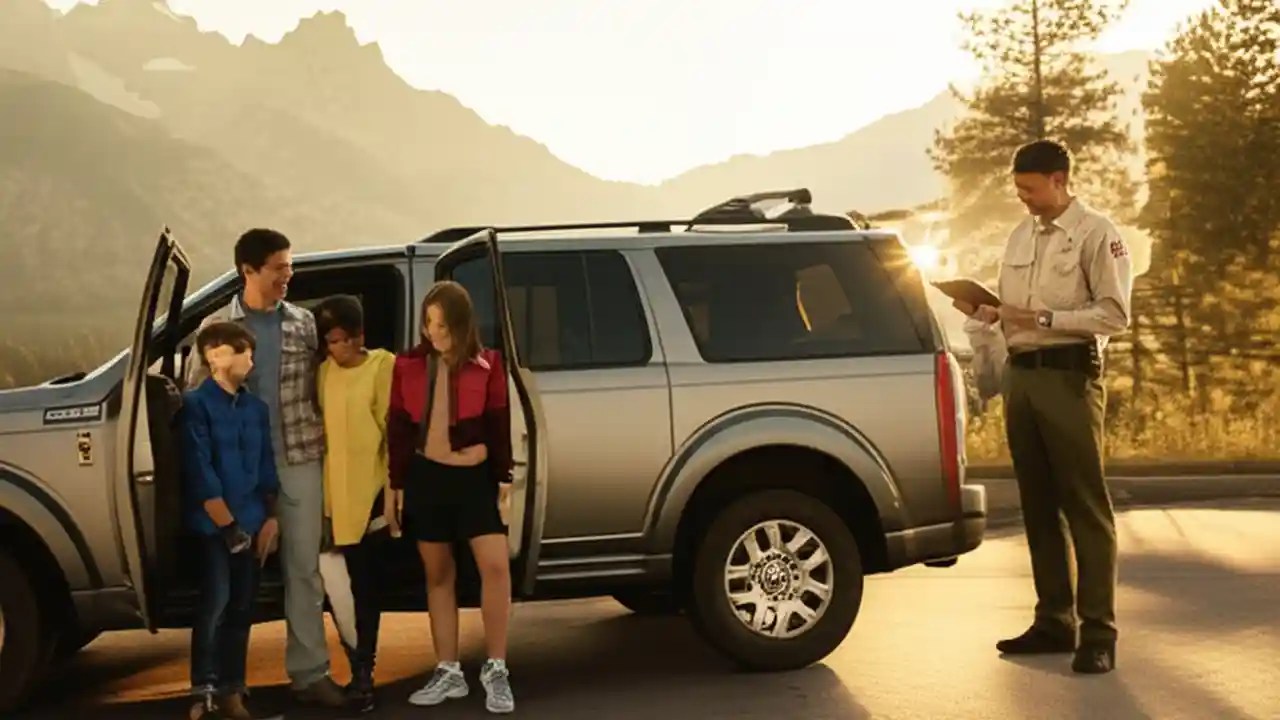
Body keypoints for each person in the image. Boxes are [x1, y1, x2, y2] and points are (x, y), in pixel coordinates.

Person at [959, 139, 1133, 674]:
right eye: (1018, 191)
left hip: (1069, 378)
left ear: (1059, 180)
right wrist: (990, 313)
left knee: (1084, 506)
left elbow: (1113, 315)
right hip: (1023, 380)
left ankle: (1099, 634)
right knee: (1037, 505)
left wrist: (1042, 320)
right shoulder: (1019, 236)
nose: (1025, 200)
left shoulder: (1097, 235)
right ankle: (1054, 620)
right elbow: (1014, 312)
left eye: (1031, 189)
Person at [186, 229, 345, 707]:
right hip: (242, 474)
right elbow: (201, 399)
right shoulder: (218, 330)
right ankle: (227, 686)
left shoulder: (303, 324)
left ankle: (310, 673)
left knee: (303, 572)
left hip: (299, 459)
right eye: (279, 267)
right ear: (248, 271)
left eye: (289, 266)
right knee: (234, 587)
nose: (288, 275)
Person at [387, 281, 515, 714]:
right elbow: (399, 428)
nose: (434, 332)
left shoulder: (488, 364)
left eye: (442, 324)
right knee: (439, 575)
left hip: (475, 482)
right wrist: (397, 485)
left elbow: (499, 422)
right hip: (427, 479)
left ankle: (496, 668)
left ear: (461, 324)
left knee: (495, 568)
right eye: (428, 323)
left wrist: (503, 477)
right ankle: (449, 671)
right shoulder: (408, 365)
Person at [179, 322, 280, 720]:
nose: (250, 359)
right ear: (215, 355)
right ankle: (202, 688)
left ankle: (232, 689)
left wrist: (271, 518)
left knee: (242, 607)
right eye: (243, 351)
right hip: (214, 526)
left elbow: (266, 466)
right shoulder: (195, 405)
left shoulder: (257, 409)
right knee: (215, 604)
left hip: (253, 520)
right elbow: (199, 469)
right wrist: (226, 526)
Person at [313, 295, 397, 714]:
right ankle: (350, 663)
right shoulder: (325, 373)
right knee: (335, 593)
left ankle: (364, 674)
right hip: (331, 502)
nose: (336, 350)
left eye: (343, 341)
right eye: (329, 342)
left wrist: (391, 495)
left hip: (370, 498)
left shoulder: (383, 366)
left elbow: (393, 431)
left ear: (360, 336)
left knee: (365, 590)